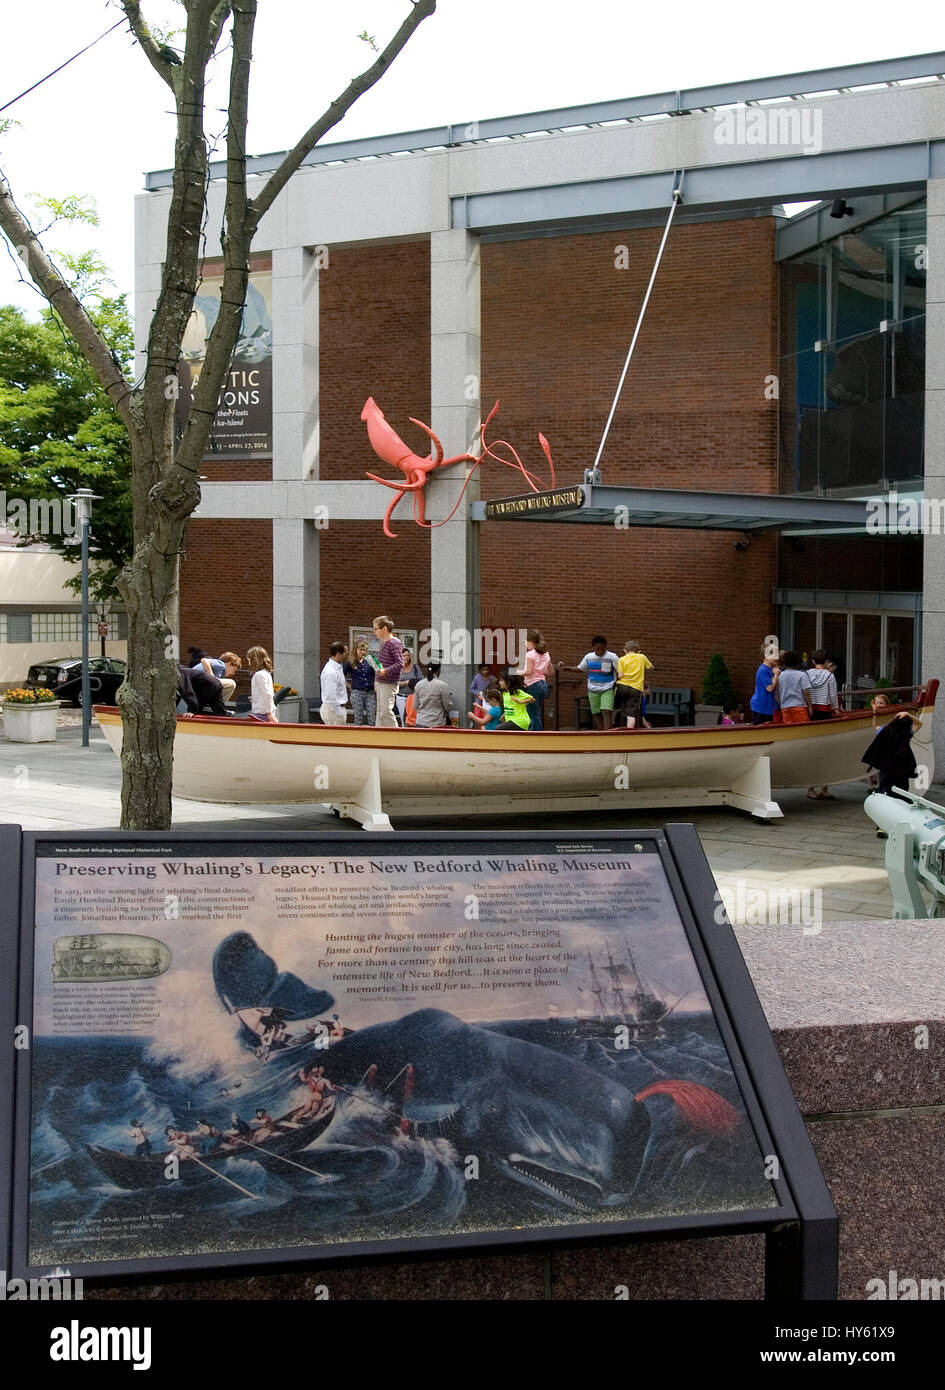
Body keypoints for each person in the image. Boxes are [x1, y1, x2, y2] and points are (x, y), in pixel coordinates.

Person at [863, 709, 923, 803]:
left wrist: (875, 712)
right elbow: (919, 723)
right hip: (903, 768)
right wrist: (908, 714)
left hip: (887, 768)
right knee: (902, 791)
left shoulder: (885, 731)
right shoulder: (906, 734)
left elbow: (875, 726)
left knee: (885, 789)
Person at [562, 636, 620, 730]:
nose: (600, 652)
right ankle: (600, 732)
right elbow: (580, 668)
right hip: (593, 688)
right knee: (596, 712)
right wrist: (567, 668)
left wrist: (618, 682)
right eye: (597, 649)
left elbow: (619, 670)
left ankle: (607, 733)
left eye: (602, 649)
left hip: (608, 687)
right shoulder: (589, 657)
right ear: (593, 647)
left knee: (606, 710)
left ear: (606, 646)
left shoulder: (612, 657)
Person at [515, 631, 552, 730]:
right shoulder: (546, 654)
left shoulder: (530, 654)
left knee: (532, 712)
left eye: (525, 642)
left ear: (531, 641)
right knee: (535, 711)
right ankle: (536, 732)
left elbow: (528, 671)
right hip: (543, 685)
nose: (525, 645)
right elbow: (550, 672)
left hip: (533, 685)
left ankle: (534, 734)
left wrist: (517, 672)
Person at [372, 616, 404, 728]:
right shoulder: (385, 643)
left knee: (385, 711)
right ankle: (380, 735)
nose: (374, 631)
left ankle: (397, 735)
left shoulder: (393, 643)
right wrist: (376, 680)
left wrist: (385, 671)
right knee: (380, 712)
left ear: (384, 628)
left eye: (376, 629)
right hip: (382, 682)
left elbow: (400, 663)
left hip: (389, 682)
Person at [615, 640, 653, 729]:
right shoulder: (641, 657)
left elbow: (620, 676)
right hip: (636, 689)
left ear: (624, 651)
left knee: (619, 704)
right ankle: (629, 731)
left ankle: (615, 714)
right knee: (631, 712)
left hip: (622, 687)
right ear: (638, 651)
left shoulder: (621, 659)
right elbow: (650, 667)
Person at [344, 639, 376, 726]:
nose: (363, 652)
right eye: (361, 650)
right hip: (357, 691)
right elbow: (341, 676)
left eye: (365, 650)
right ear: (356, 650)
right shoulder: (350, 662)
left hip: (370, 692)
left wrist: (375, 684)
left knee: (372, 717)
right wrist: (349, 685)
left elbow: (376, 674)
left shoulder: (370, 660)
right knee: (358, 717)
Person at [775, 650, 811, 725]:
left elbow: (777, 693)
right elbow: (805, 691)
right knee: (802, 729)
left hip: (785, 707)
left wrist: (781, 703)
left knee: (788, 730)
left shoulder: (780, 676)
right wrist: (810, 706)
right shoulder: (802, 675)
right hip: (799, 706)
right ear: (798, 662)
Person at [412, 662, 454, 727]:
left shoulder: (419, 684)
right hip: (437, 722)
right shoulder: (442, 685)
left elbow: (415, 706)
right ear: (438, 671)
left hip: (421, 721)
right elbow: (447, 707)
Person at [319, 641, 349, 725]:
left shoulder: (337, 668)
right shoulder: (331, 672)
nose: (347, 657)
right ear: (338, 654)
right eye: (345, 654)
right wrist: (339, 713)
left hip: (335, 709)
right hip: (333, 711)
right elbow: (331, 695)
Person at [247, 646, 278, 724]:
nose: (248, 663)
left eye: (249, 660)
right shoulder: (266, 673)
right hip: (265, 710)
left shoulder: (259, 675)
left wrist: (269, 713)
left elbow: (267, 694)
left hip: (262, 712)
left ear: (254, 660)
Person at [749, 649, 778, 725]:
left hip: (767, 706)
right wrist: (776, 675)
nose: (776, 658)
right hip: (761, 706)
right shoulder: (763, 670)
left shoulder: (770, 669)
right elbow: (769, 688)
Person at [807, 650, 839, 720]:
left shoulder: (807, 674)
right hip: (825, 708)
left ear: (813, 661)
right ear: (826, 661)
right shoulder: (830, 675)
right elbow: (833, 694)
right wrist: (835, 707)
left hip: (810, 707)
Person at [396, 648, 423, 725]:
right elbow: (394, 683)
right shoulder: (397, 669)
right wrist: (406, 682)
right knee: (403, 719)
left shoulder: (415, 668)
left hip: (413, 697)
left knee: (414, 720)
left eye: (408, 655)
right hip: (401, 697)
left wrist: (413, 683)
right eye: (404, 656)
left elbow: (422, 681)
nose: (406, 657)